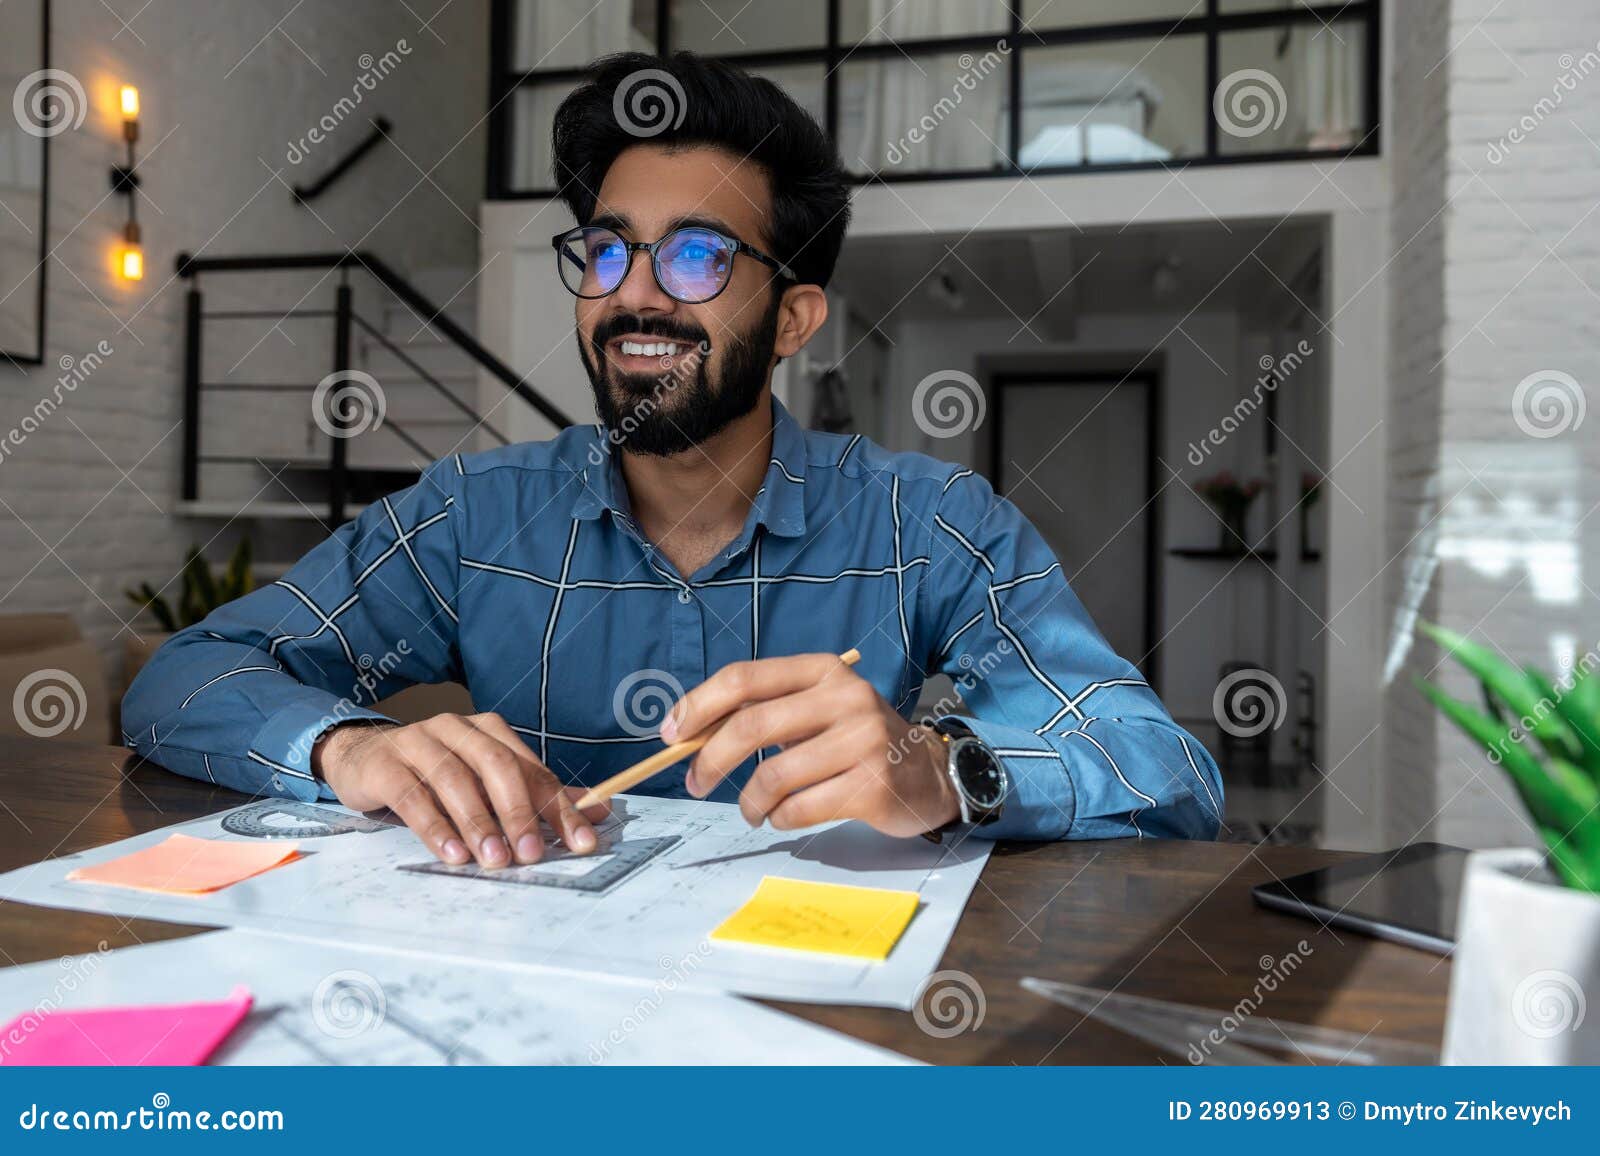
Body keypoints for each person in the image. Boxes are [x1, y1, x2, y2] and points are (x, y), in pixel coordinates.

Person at [123, 51, 1222, 870]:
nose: (633, 293)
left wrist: (944, 769)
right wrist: (346, 749)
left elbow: (1165, 767)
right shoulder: (471, 515)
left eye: (697, 254)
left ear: (793, 320)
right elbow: (181, 677)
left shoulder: (926, 524)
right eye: (606, 248)